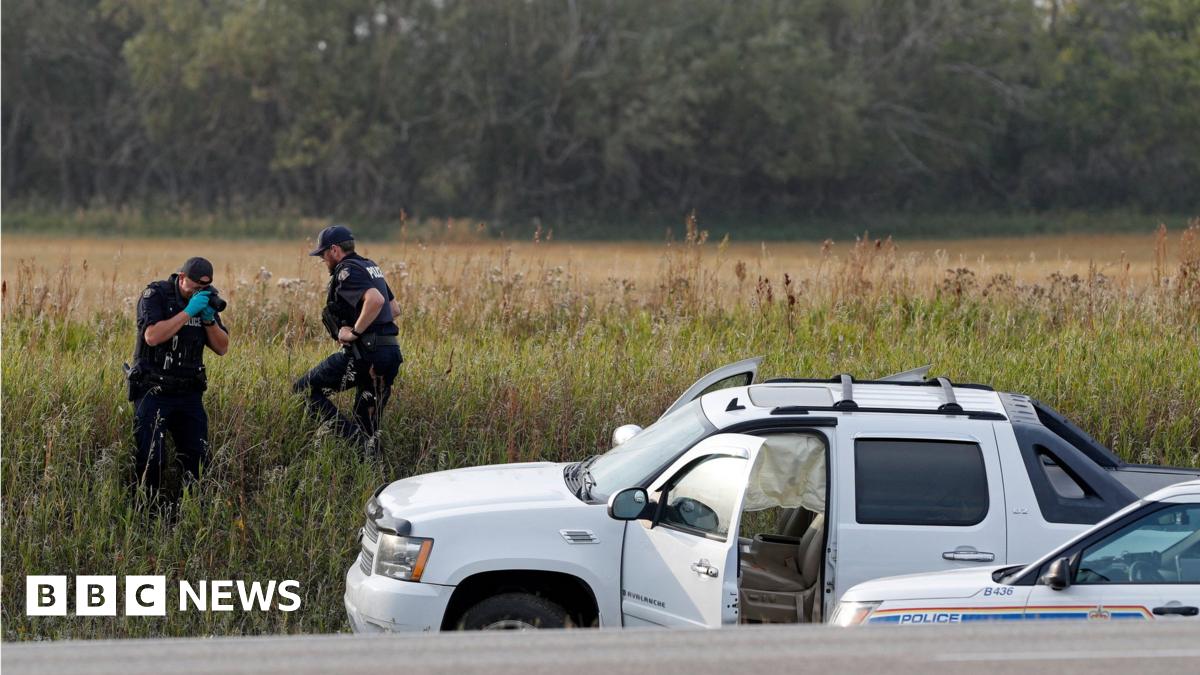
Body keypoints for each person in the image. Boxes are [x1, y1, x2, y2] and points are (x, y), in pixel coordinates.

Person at [293, 225, 403, 456]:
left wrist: (354, 332)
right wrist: (369, 325)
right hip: (389, 354)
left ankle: (354, 441)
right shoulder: (370, 267)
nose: (323, 260)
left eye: (323, 254)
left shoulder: (347, 271)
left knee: (303, 390)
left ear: (334, 250)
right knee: (368, 427)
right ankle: (373, 466)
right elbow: (395, 308)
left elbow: (375, 300)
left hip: (366, 355)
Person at [127, 257, 230, 500]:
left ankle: (191, 514)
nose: (198, 292)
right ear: (182, 278)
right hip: (153, 390)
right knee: (152, 457)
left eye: (203, 288)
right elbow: (152, 336)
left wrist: (207, 319)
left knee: (198, 458)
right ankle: (146, 515)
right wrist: (187, 312)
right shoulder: (156, 295)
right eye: (194, 287)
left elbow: (223, 347)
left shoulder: (206, 301)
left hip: (188, 393)